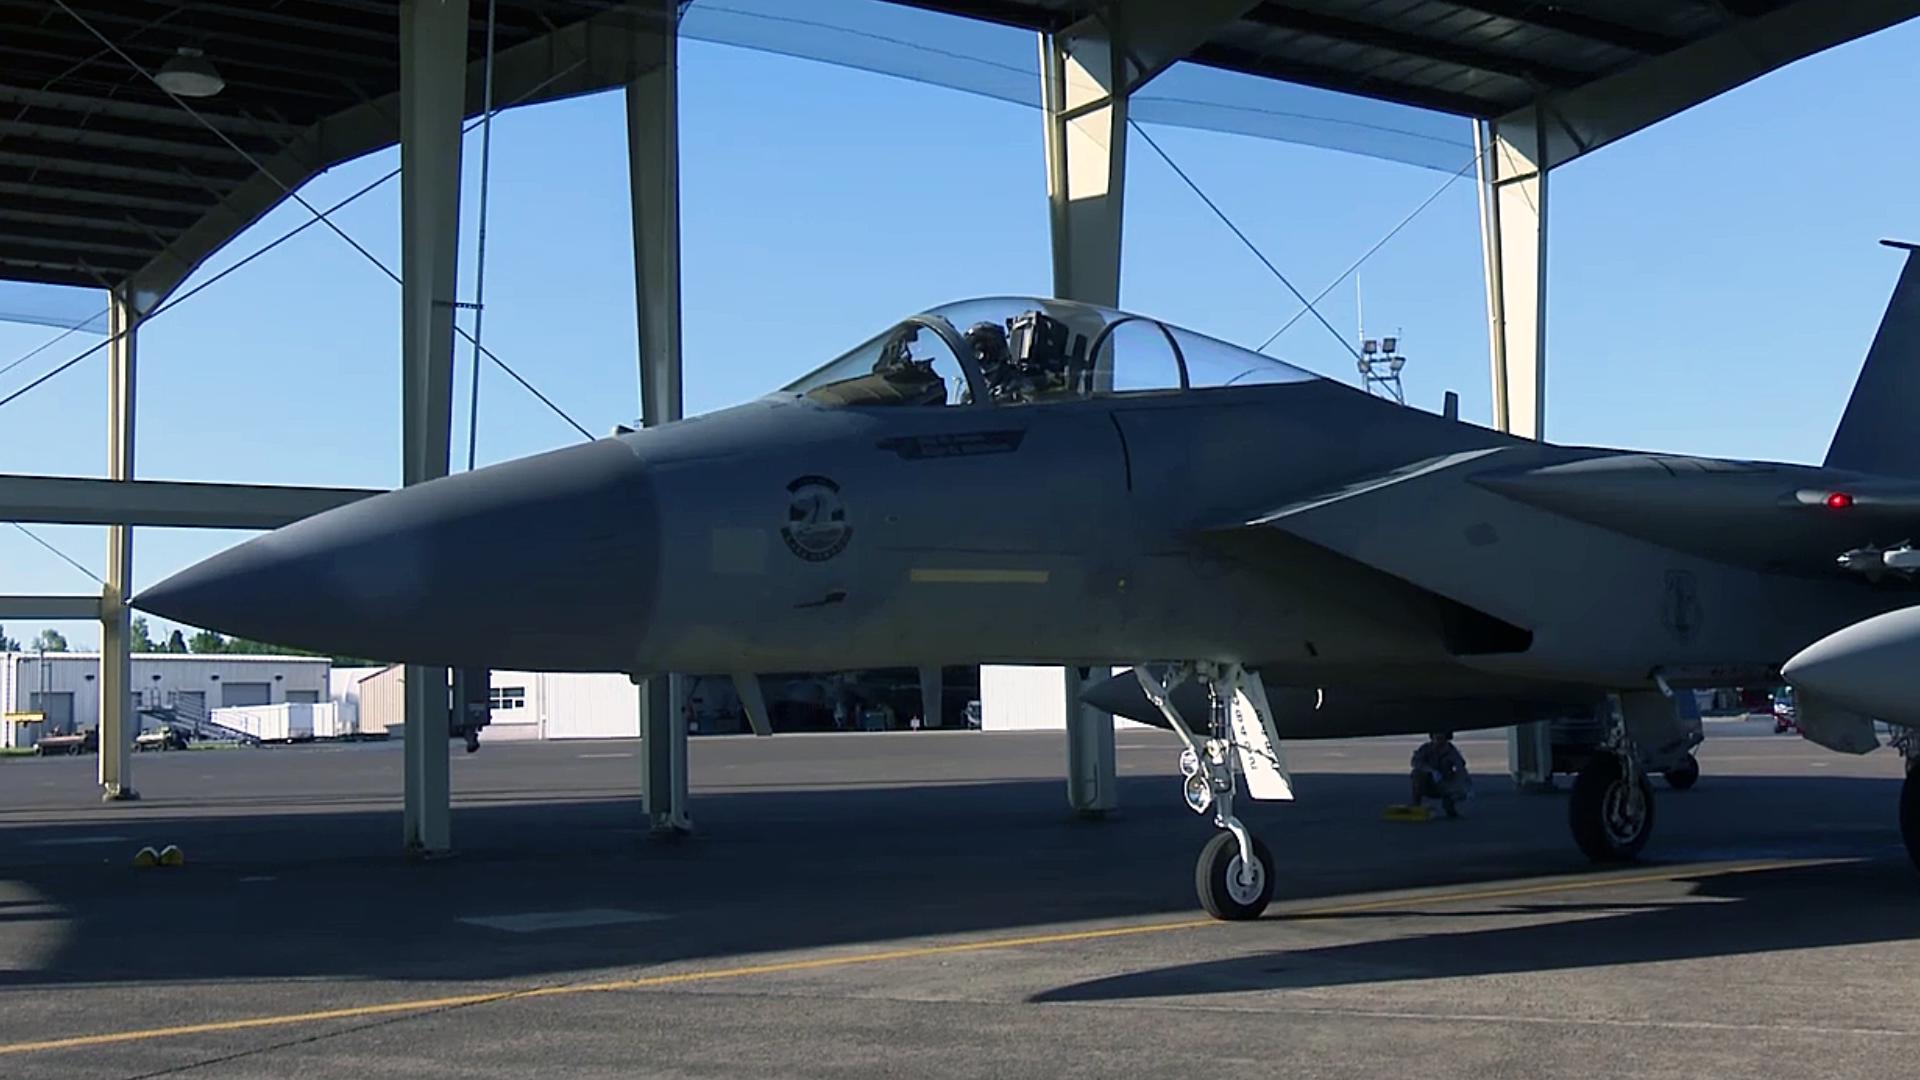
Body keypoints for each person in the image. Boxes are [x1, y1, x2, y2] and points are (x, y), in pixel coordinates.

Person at [1409, 730, 1471, 817]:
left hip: (1444, 784)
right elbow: (1415, 762)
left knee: (1460, 784)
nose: (1438, 740)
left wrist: (1463, 785)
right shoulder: (1426, 748)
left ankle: (1450, 807)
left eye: (1441, 738)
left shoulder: (1451, 751)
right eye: (1436, 737)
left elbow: (1460, 766)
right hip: (1428, 784)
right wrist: (1431, 771)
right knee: (1417, 773)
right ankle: (1416, 805)